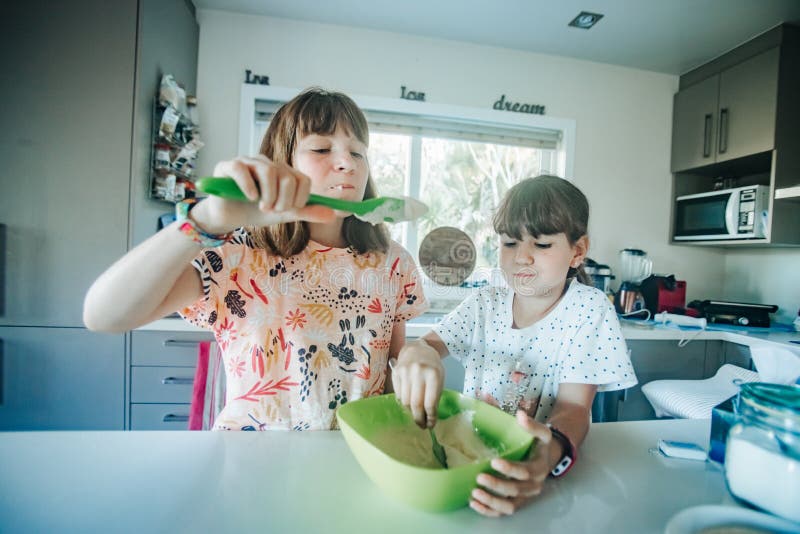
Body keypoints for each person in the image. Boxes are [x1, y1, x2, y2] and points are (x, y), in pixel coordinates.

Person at [84, 87, 428, 431]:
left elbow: (389, 376)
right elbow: (104, 316)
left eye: (358, 152)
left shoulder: (392, 263)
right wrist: (204, 221)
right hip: (248, 464)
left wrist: (420, 362)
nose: (347, 163)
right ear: (283, 163)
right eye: (322, 148)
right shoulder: (237, 256)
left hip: (355, 459)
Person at [392, 175, 637, 517]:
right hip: (469, 462)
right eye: (510, 243)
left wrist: (550, 453)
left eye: (541, 245)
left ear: (577, 251)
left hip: (538, 475)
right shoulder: (485, 302)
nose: (521, 258)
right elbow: (428, 346)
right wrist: (417, 354)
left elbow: (574, 408)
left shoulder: (589, 309)